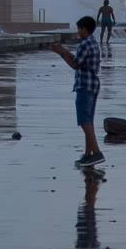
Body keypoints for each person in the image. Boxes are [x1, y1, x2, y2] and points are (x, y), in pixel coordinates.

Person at [51, 16, 105, 167]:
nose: (77, 31)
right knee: (88, 121)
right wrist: (64, 51)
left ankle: (97, 153)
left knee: (84, 121)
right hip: (93, 85)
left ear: (84, 29)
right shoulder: (92, 42)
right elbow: (79, 60)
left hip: (84, 86)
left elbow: (75, 65)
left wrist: (61, 53)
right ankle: (88, 154)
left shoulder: (84, 44)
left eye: (79, 29)